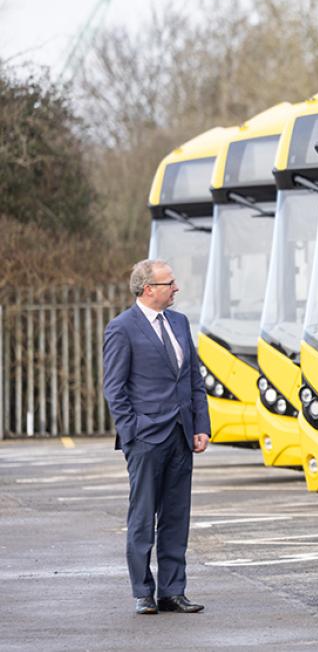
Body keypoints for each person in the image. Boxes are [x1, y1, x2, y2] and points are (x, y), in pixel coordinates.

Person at [102, 259, 210, 615]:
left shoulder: (179, 322)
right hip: (145, 439)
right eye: (170, 283)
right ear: (149, 289)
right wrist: (132, 432)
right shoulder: (122, 328)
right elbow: (114, 389)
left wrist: (200, 426)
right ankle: (142, 592)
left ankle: (172, 591)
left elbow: (193, 379)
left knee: (177, 516)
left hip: (181, 435)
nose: (176, 288)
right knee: (143, 517)